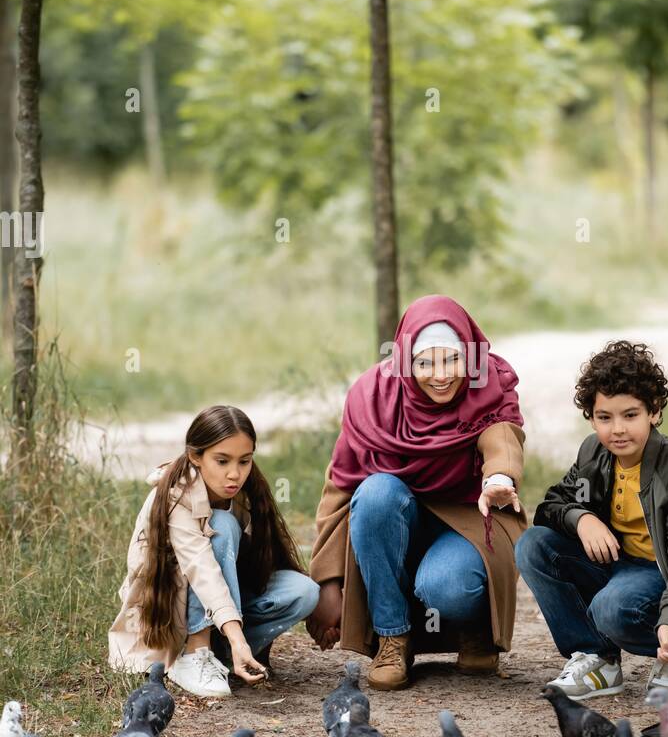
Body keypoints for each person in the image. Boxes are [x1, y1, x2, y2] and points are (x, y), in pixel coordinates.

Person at [305, 295, 527, 690]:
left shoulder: (487, 383)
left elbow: (501, 437)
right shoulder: (373, 397)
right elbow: (340, 484)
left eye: (451, 360)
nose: (440, 375)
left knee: (447, 587)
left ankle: (472, 628)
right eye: (424, 362)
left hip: (468, 521)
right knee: (375, 494)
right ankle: (393, 636)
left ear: (470, 357)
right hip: (396, 518)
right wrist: (327, 583)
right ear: (405, 361)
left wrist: (499, 478)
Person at [516, 340, 668, 700]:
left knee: (610, 608)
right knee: (533, 544)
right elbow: (553, 505)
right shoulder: (593, 454)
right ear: (591, 416)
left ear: (655, 412)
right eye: (605, 417)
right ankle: (598, 660)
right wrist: (582, 518)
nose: (617, 429)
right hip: (620, 564)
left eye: (630, 415)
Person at [108, 405, 319, 697]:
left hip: (220, 604)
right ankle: (196, 653)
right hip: (172, 609)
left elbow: (261, 560)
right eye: (222, 461)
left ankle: (227, 653)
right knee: (221, 525)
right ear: (196, 456)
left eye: (244, 461)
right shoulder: (176, 495)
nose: (235, 474)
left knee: (303, 590)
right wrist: (237, 635)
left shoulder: (246, 491)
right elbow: (202, 568)